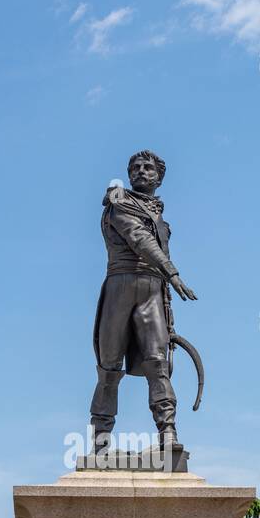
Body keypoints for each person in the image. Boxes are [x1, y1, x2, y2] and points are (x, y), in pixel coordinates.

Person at [90, 149, 197, 450]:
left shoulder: (161, 218)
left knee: (157, 362)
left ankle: (168, 433)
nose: (140, 171)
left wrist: (169, 312)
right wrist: (173, 273)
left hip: (153, 290)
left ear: (159, 177)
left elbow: (157, 249)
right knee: (109, 367)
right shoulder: (119, 201)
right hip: (121, 285)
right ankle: (100, 442)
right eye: (135, 167)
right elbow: (139, 239)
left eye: (148, 168)